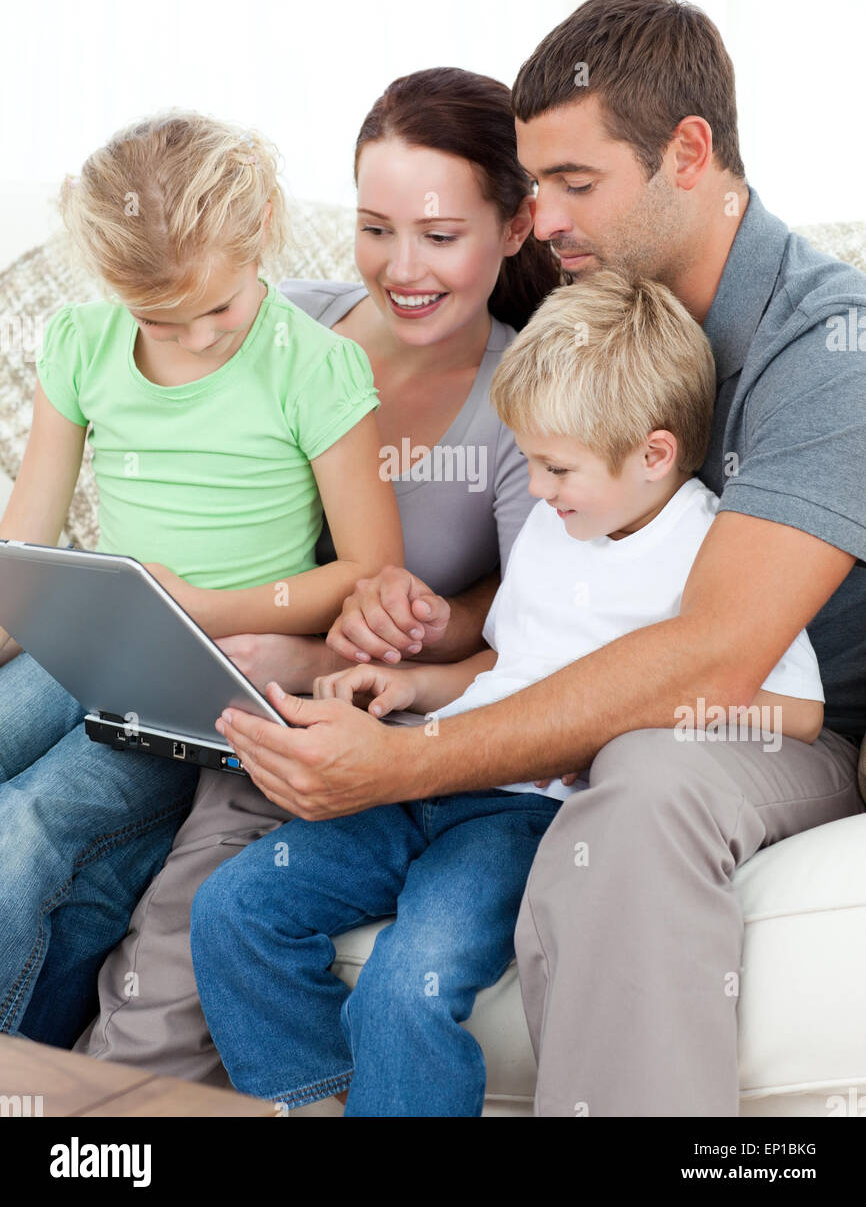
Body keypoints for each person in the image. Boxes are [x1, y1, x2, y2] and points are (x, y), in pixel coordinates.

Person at [212, 0, 866, 1118]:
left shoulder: (827, 347)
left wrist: (415, 759)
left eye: (575, 184)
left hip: (778, 716)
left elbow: (716, 659)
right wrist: (407, 685)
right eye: (533, 186)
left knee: (645, 780)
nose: (546, 217)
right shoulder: (585, 321)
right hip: (560, 718)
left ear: (688, 155)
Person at [190, 271, 826, 1117]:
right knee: (231, 910)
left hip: (522, 816)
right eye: (527, 460)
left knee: (404, 990)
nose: (534, 488)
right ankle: (319, 1102)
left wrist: (608, 734)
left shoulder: (714, 551)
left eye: (555, 467)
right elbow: (510, 664)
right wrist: (412, 681)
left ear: (655, 454)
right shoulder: (562, 524)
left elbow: (801, 714)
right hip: (427, 771)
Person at [58, 67, 562, 1077]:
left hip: (339, 712)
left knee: (185, 929)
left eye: (437, 233)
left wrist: (350, 634)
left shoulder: (530, 393)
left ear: (513, 229)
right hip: (188, 677)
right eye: (375, 227)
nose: (400, 265)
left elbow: (525, 615)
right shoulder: (269, 324)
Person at [0, 109, 403, 1044]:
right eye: (159, 319)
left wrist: (202, 608)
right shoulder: (81, 345)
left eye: (218, 308)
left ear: (264, 226)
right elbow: (24, 547)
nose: (198, 338)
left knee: (28, 826)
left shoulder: (317, 369)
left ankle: (26, 1083)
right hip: (85, 644)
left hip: (200, 686)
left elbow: (370, 572)